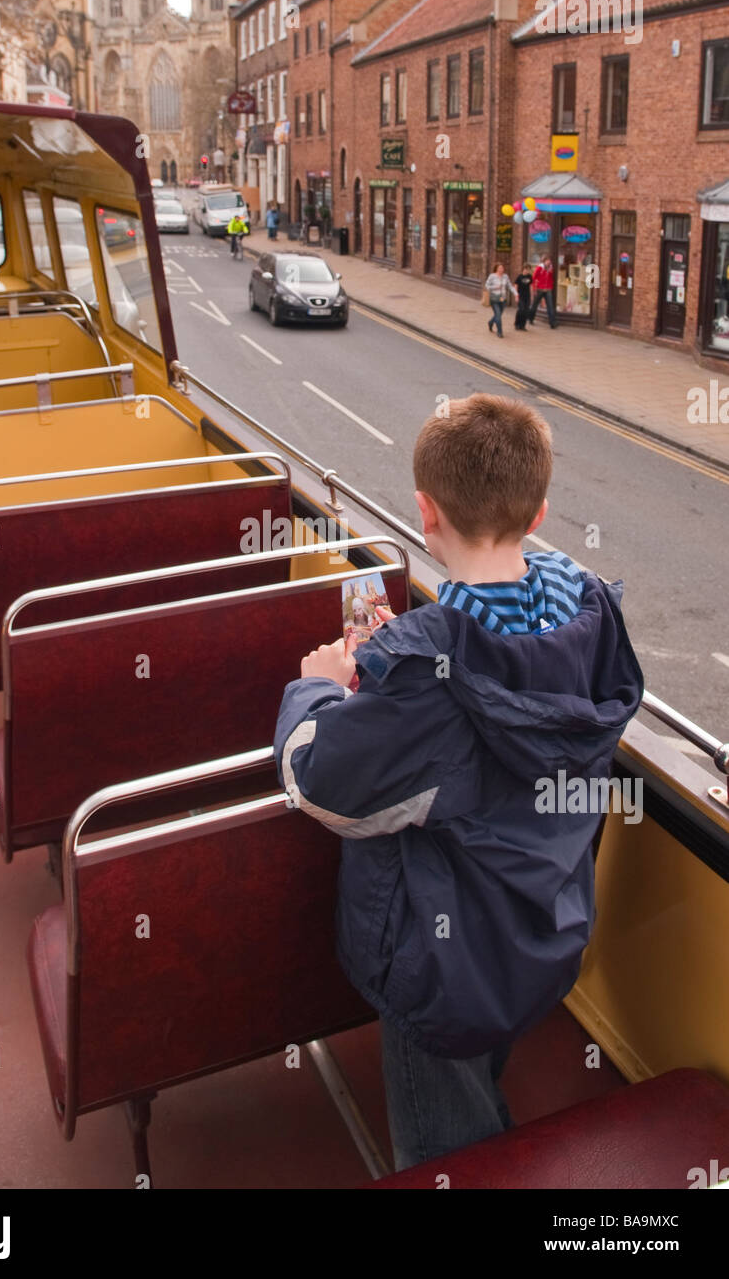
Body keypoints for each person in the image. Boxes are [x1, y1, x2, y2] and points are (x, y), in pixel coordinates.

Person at [273, 394, 643, 1170]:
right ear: (539, 514)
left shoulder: (423, 675)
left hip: (441, 974)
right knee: (485, 1074)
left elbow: (318, 781)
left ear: (425, 512)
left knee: (443, 1151)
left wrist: (321, 685)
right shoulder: (593, 615)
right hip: (542, 934)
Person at [484, 262, 515, 338]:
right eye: (500, 268)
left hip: (503, 299)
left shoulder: (505, 277)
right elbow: (487, 286)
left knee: (498, 315)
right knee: (498, 315)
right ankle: (500, 332)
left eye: (502, 268)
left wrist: (516, 293)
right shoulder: (492, 276)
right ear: (496, 269)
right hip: (494, 298)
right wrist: (494, 288)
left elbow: (510, 286)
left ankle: (490, 322)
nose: (501, 269)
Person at [529, 257, 558, 327]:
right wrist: (534, 289)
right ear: (544, 261)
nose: (548, 262)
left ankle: (552, 323)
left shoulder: (551, 269)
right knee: (535, 305)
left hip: (548, 290)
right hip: (539, 289)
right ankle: (530, 318)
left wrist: (550, 286)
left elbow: (551, 278)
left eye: (549, 261)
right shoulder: (539, 268)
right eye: (547, 261)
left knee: (550, 306)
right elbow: (534, 278)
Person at [514, 263, 533, 330]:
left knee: (526, 310)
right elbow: (516, 286)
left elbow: (531, 286)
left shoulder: (530, 277)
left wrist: (531, 296)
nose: (527, 271)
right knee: (521, 309)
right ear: (523, 269)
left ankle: (523, 325)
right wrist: (516, 295)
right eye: (526, 269)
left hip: (527, 296)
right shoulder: (519, 277)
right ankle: (517, 324)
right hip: (520, 296)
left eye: (528, 270)